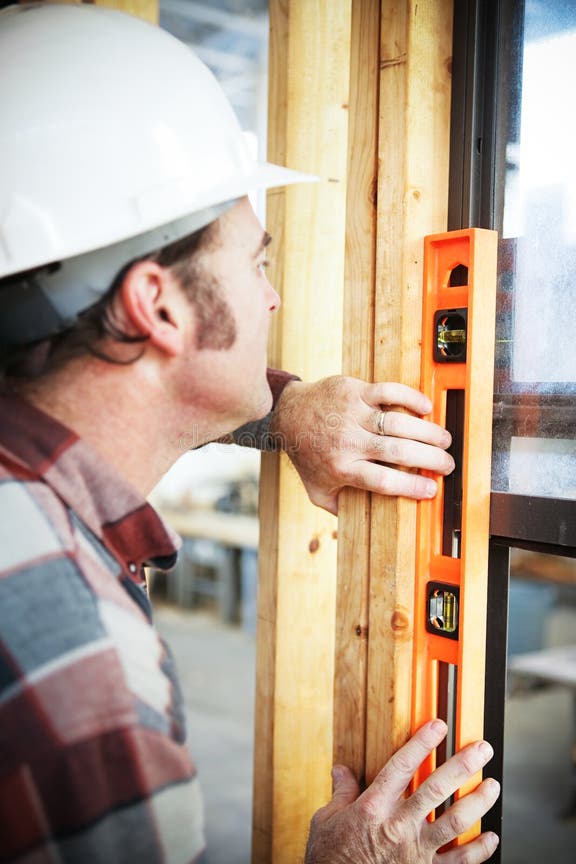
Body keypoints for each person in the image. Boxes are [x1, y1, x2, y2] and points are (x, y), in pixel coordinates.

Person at [0, 4, 499, 863]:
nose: (272, 297)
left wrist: (286, 410)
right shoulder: (86, 673)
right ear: (157, 306)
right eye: (256, 262)